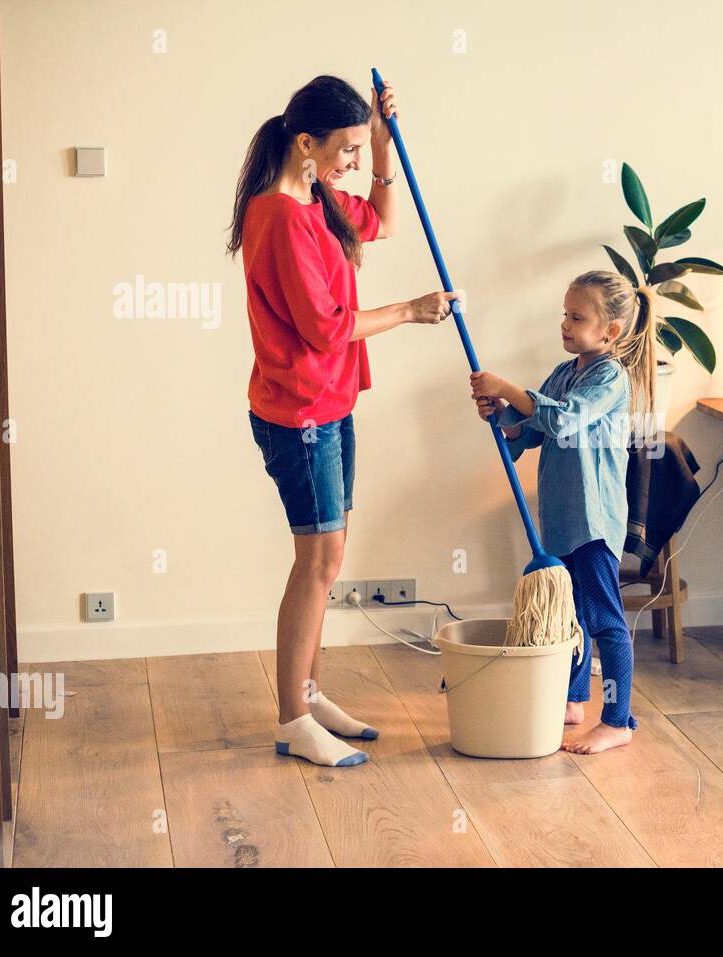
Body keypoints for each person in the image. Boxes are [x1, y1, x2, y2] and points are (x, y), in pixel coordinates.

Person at [227, 75, 457, 768]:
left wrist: (384, 147)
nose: (353, 160)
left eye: (359, 148)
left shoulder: (320, 201)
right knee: (316, 563)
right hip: (297, 416)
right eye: (348, 147)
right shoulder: (277, 217)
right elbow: (327, 329)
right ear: (306, 142)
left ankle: (309, 690)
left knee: (328, 562)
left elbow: (380, 219)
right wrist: (412, 311)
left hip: (331, 406)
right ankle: (292, 717)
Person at [469, 270, 657, 754]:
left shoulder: (609, 377)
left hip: (593, 522)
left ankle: (617, 719)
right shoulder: (564, 371)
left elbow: (564, 417)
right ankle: (574, 701)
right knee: (568, 616)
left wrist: (510, 389)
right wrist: (503, 418)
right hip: (560, 519)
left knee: (605, 621)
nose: (566, 324)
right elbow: (533, 431)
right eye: (565, 314)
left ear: (610, 331)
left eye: (578, 317)